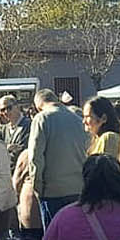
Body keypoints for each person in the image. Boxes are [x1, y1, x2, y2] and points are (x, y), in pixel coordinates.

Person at [27, 88, 89, 228]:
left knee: (54, 239)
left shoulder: (42, 118)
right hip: (78, 189)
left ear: (38, 106)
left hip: (53, 191)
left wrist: (38, 188)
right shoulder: (78, 120)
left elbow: (35, 158)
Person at [82, 97, 120, 162]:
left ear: (103, 118)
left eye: (88, 117)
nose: (84, 121)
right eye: (83, 117)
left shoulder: (109, 138)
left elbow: (106, 169)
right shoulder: (97, 139)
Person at [0, 95, 33, 164]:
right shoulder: (3, 129)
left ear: (17, 107)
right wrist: (7, 148)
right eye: (3, 110)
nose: (6, 112)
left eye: (9, 108)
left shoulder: (29, 125)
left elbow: (23, 150)